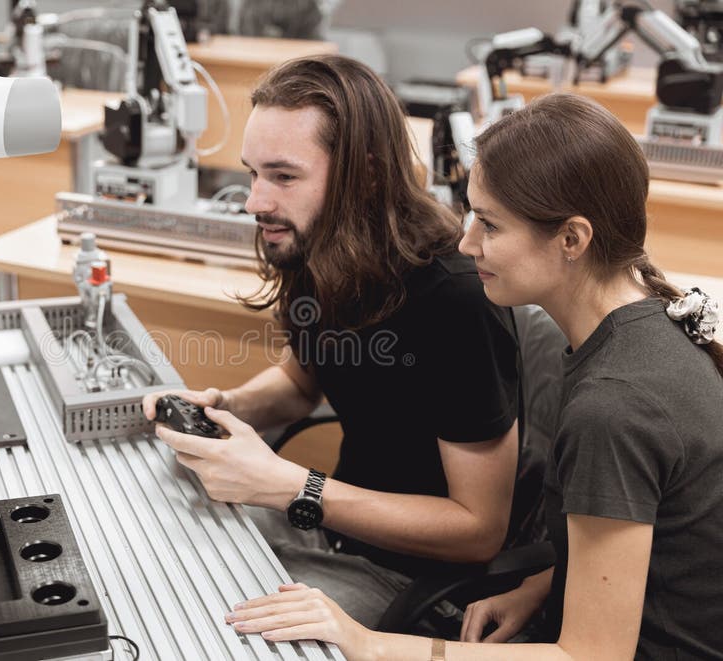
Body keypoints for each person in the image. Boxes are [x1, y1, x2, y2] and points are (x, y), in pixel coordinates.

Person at [224, 93, 723, 660]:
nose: (466, 243)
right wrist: (542, 585)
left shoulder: (613, 406)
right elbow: (656, 538)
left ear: (572, 240)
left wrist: (370, 645)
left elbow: (589, 656)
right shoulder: (643, 332)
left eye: (488, 224)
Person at [142, 53, 521, 630]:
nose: (255, 201)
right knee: (151, 547)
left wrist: (296, 486)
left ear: (364, 175)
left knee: (187, 620)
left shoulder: (453, 297)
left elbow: (478, 530)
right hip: (328, 528)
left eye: (283, 176)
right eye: (252, 173)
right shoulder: (317, 247)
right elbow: (301, 384)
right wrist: (223, 409)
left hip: (409, 576)